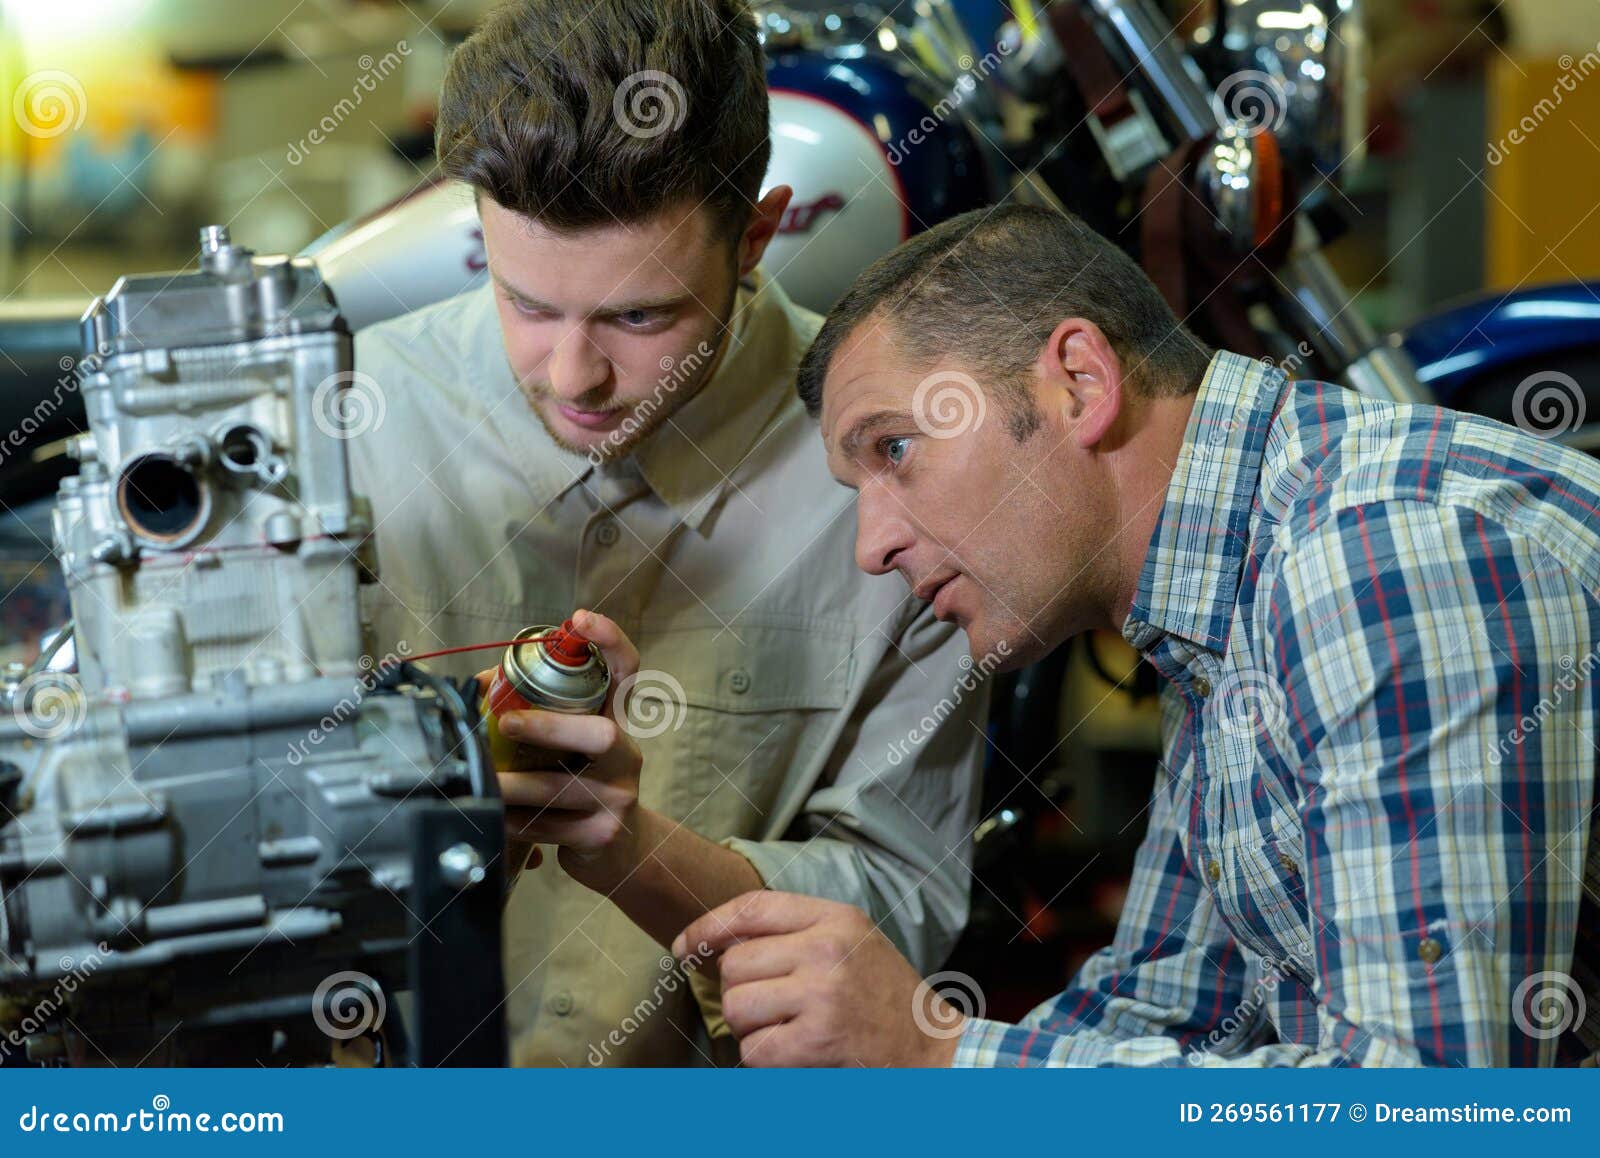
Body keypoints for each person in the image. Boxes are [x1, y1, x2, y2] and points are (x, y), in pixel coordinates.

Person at [674, 203, 1600, 1067]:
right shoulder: (1213, 602)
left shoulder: (1379, 555)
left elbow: (1428, 1115)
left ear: (1080, 382)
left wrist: (939, 1056)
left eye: (896, 450)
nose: (872, 547)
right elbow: (1165, 1010)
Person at [348, 0, 986, 1066]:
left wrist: (637, 853)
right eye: (525, 303)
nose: (572, 377)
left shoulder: (902, 482)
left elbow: (897, 916)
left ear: (757, 234)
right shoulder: (349, 428)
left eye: (639, 317)